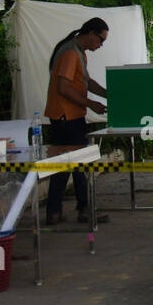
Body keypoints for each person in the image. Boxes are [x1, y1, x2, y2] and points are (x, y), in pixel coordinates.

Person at [43, 17, 109, 225]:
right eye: (100, 40)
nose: (101, 45)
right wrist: (91, 104)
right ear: (91, 33)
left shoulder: (77, 52)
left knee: (63, 165)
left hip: (66, 115)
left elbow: (86, 82)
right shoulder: (71, 53)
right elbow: (64, 88)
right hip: (66, 116)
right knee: (80, 163)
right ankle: (84, 209)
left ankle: (55, 211)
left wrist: (109, 94)